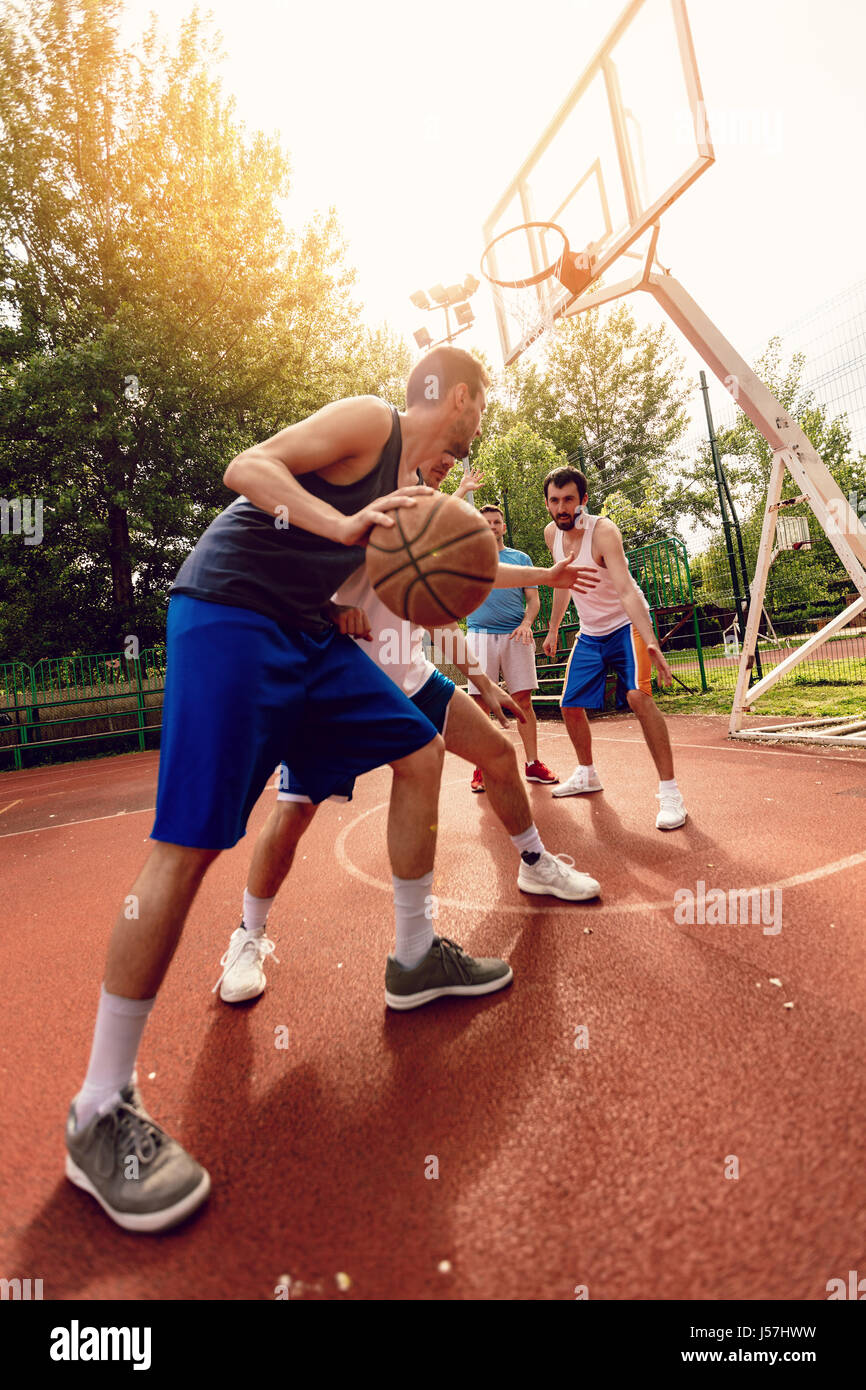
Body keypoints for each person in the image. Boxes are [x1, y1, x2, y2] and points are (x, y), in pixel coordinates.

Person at [64, 345, 515, 1233]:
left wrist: (357, 586)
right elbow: (249, 468)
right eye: (480, 407)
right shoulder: (370, 420)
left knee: (420, 747)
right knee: (188, 847)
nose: (476, 426)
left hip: (309, 638)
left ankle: (414, 957)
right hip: (231, 612)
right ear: (456, 396)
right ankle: (99, 1107)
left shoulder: (414, 496)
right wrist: (342, 528)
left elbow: (358, 583)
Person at [214, 455, 604, 1007]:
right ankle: (248, 936)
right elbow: (277, 574)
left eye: (456, 451)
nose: (451, 458)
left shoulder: (429, 513)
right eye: (443, 447)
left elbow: (464, 580)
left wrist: (486, 673)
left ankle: (536, 864)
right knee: (294, 813)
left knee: (497, 755)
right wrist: (328, 609)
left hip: (413, 677)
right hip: (340, 684)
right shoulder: (349, 497)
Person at [540, 467, 687, 831]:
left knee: (638, 697)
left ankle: (671, 793)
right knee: (569, 705)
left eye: (569, 499)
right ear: (547, 503)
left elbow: (626, 590)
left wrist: (649, 639)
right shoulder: (551, 534)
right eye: (555, 500)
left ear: (583, 500)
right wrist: (554, 628)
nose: (562, 508)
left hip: (625, 625)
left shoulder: (603, 532)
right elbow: (563, 583)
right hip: (591, 632)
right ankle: (587, 773)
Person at [464, 504, 557, 793]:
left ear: (503, 527)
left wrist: (527, 622)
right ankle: (481, 767)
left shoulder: (520, 558)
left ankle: (533, 764)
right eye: (486, 522)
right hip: (479, 635)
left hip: (516, 635)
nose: (492, 526)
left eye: (496, 522)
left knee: (523, 701)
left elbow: (533, 599)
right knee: (481, 704)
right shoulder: (469, 557)